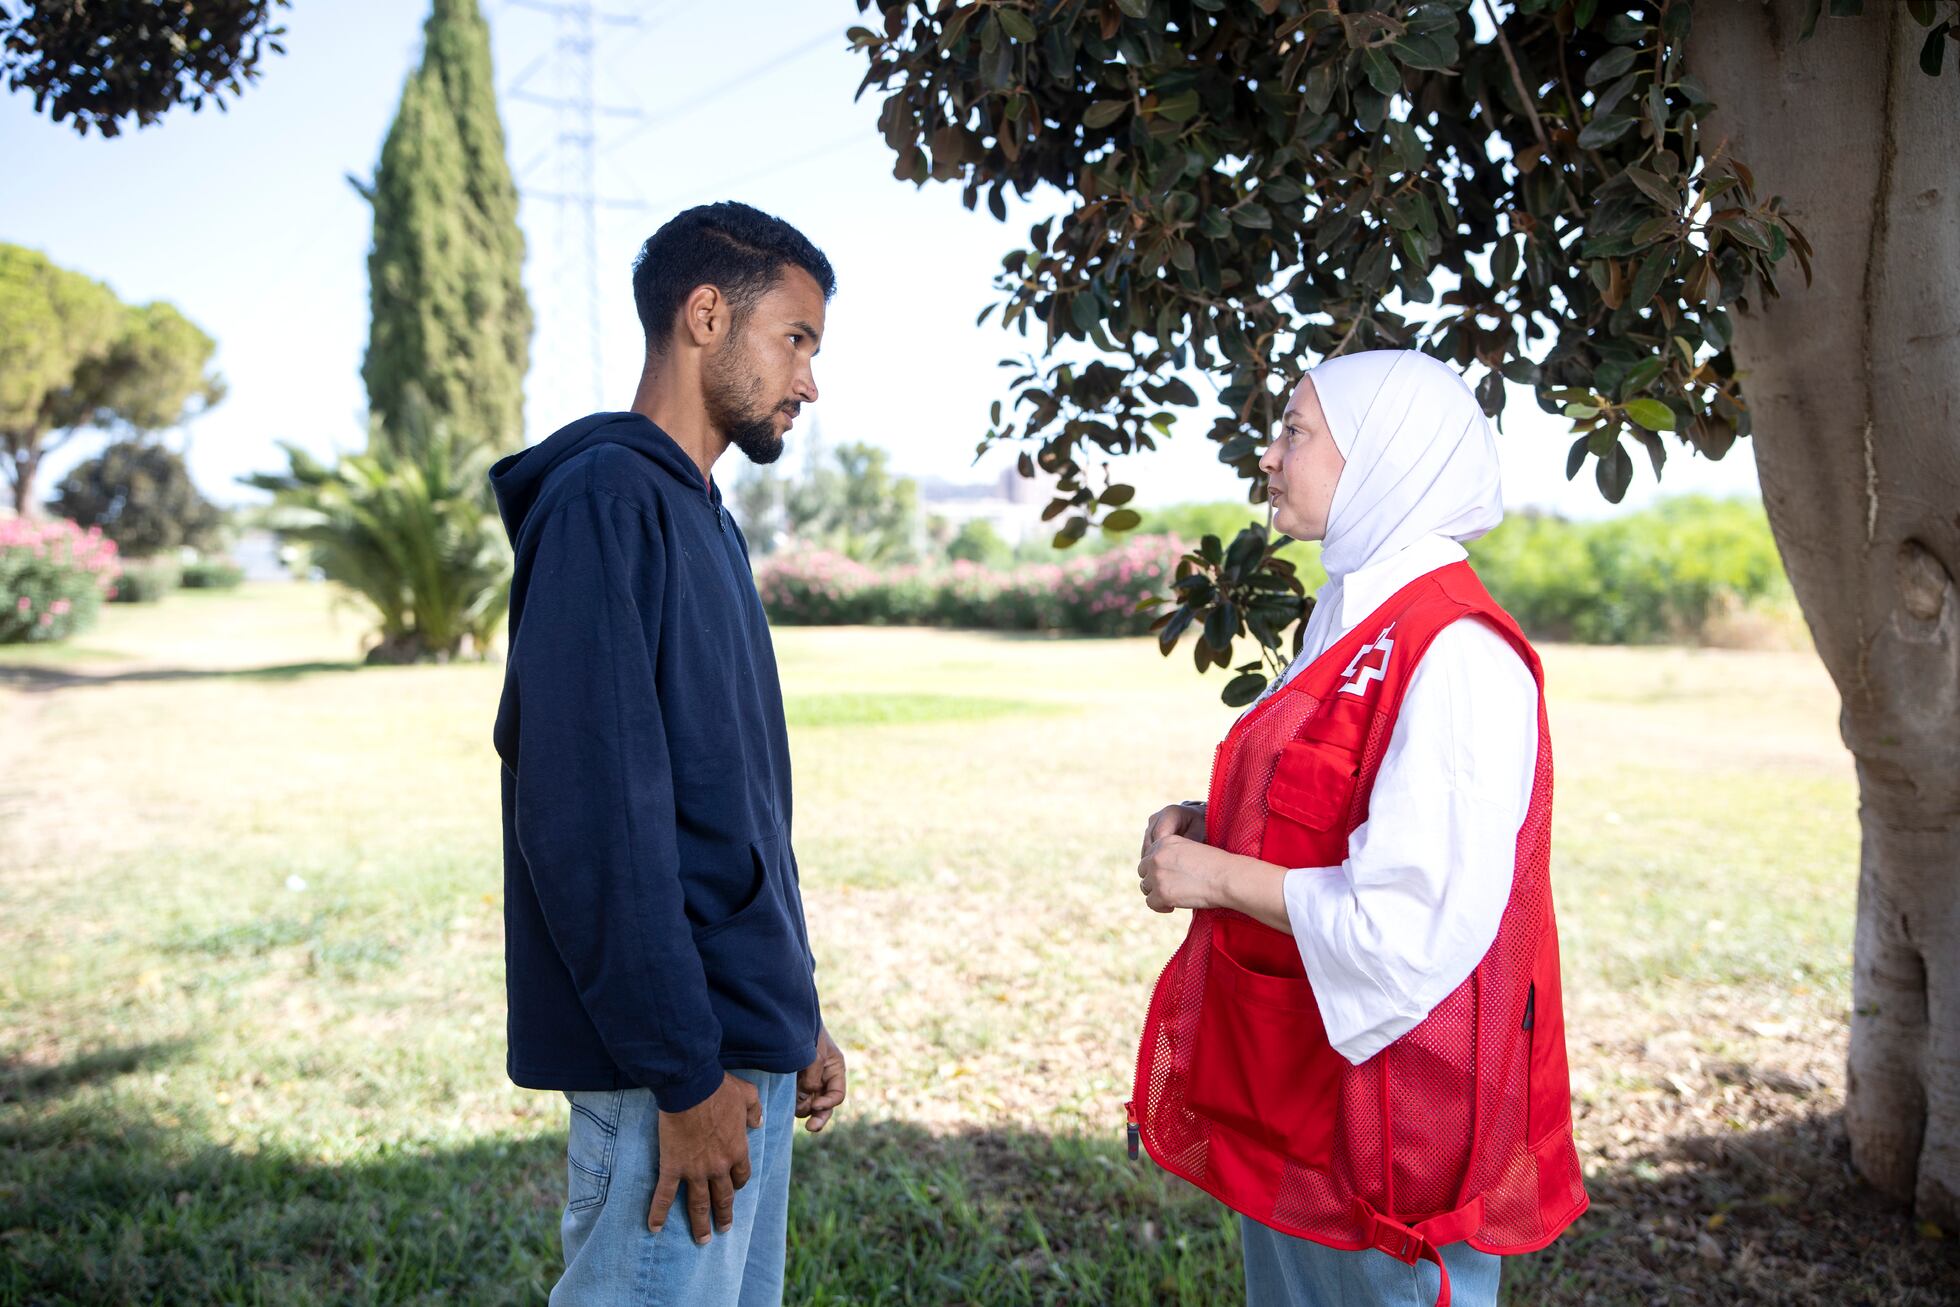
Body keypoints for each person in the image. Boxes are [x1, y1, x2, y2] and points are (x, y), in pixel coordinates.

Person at [1128, 350, 1587, 1307]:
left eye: (1295, 432)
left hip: (1392, 1123)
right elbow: (1344, 810)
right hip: (1300, 1091)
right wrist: (1218, 825)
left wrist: (1212, 876)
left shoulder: (1456, 652)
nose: (1268, 455)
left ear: (1386, 456)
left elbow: (1405, 924)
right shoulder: (1352, 614)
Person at [490, 201, 848, 1307]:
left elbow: (733, 808)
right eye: (795, 339)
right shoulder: (605, 501)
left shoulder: (703, 515)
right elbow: (590, 815)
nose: (809, 381)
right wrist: (684, 1075)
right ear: (705, 316)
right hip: (674, 1072)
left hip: (741, 1044)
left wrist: (794, 1012)